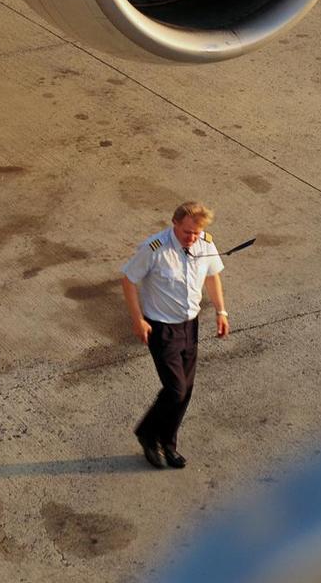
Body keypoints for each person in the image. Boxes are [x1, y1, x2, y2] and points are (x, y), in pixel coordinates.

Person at [121, 201, 229, 469]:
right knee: (175, 389)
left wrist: (221, 312)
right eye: (187, 232)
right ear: (175, 224)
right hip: (161, 328)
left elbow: (212, 277)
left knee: (186, 390)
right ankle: (147, 434)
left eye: (196, 232)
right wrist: (138, 320)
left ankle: (168, 445)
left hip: (189, 325)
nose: (192, 238)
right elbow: (128, 279)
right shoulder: (154, 248)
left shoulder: (204, 243)